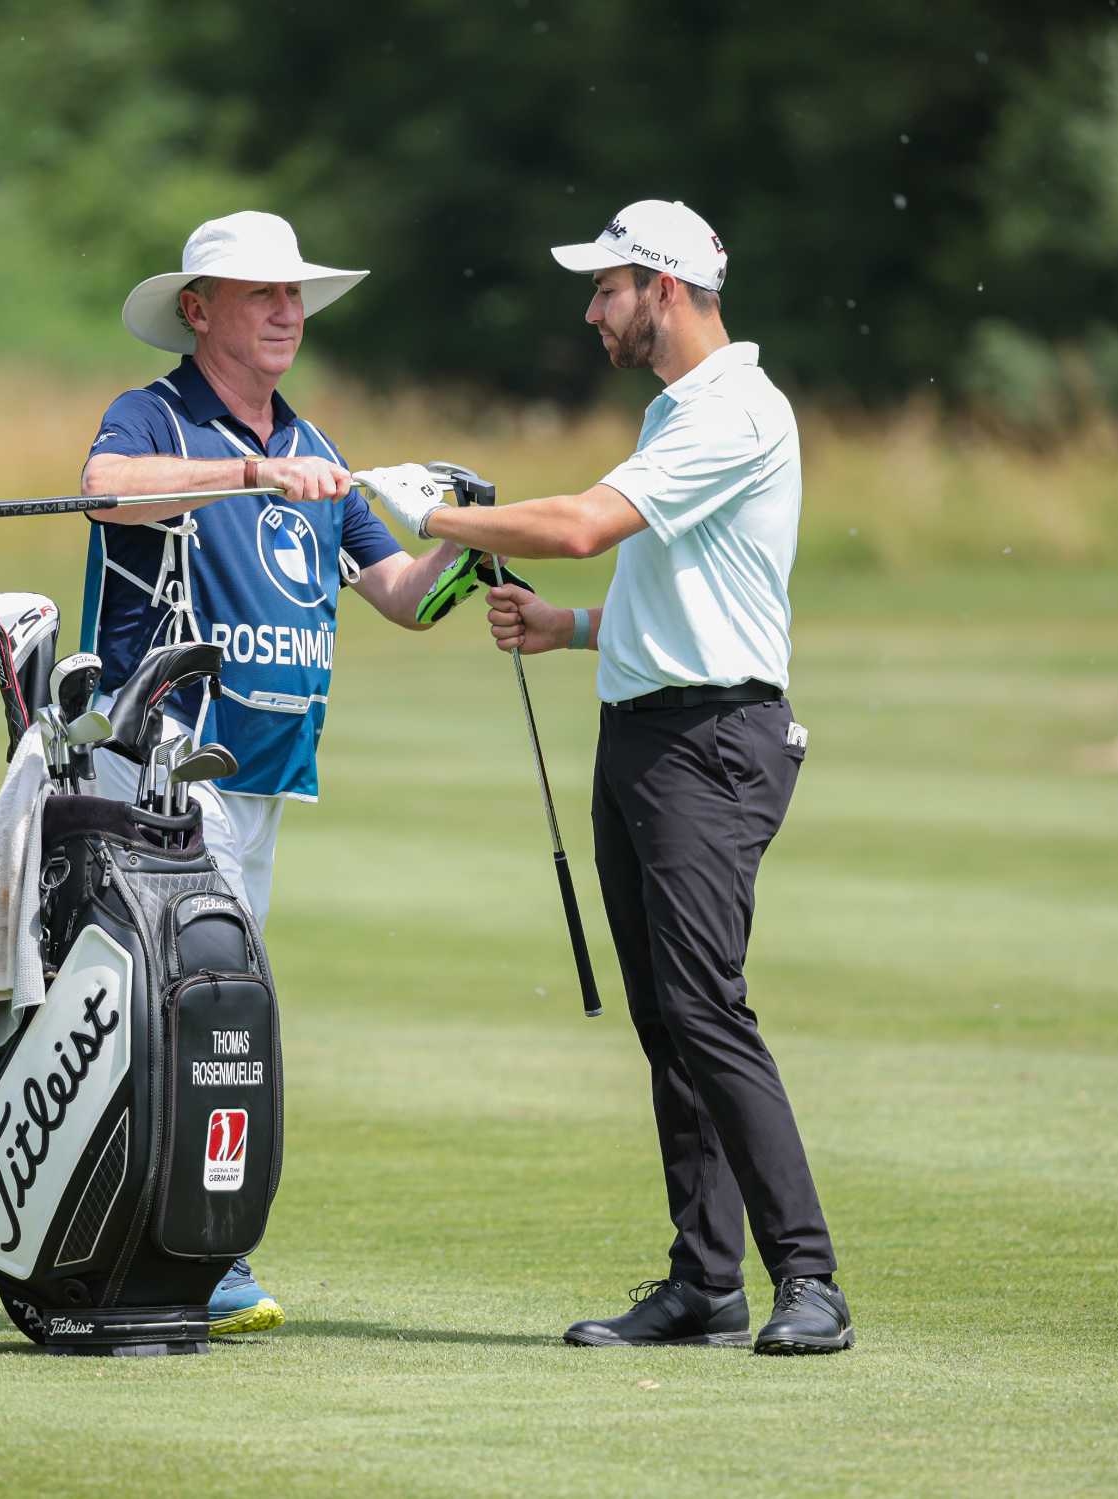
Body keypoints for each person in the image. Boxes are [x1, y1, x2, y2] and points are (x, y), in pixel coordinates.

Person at [352, 200, 853, 1355]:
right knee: (665, 1018)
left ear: (664, 290)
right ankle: (705, 1281)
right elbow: (680, 589)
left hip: (712, 746)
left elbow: (585, 524)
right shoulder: (680, 411)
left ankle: (811, 1279)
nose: (592, 309)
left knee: (705, 1009)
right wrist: (572, 632)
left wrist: (432, 509)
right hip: (645, 734)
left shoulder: (735, 411)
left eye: (607, 288)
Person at [78, 211, 466, 1336]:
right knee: (187, 1012)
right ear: (198, 310)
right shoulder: (156, 415)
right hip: (165, 758)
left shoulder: (317, 447)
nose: (287, 311)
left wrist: (467, 533)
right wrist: (250, 471)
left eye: (294, 294)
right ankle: (200, 1253)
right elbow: (108, 489)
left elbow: (400, 595)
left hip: (263, 775)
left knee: (210, 1008)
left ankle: (189, 1245)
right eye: (261, 294)